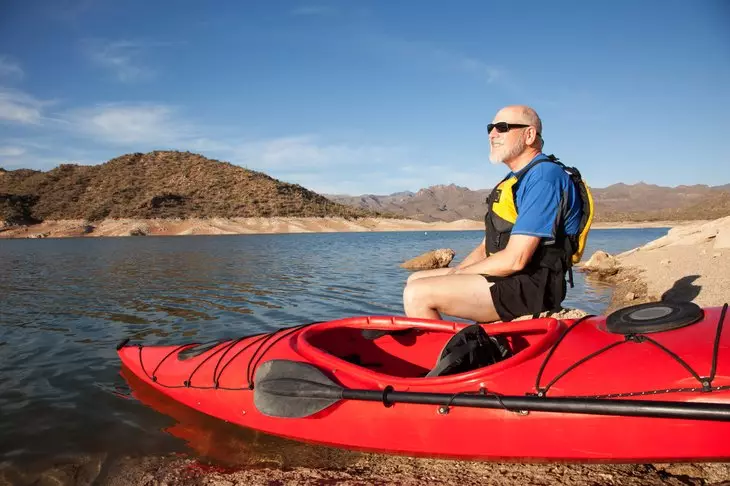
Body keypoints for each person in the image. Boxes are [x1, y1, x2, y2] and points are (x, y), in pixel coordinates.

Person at [402, 105, 592, 323]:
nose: (492, 134)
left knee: (417, 294)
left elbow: (516, 259)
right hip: (514, 278)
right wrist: (458, 271)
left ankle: (447, 354)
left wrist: (458, 275)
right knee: (414, 279)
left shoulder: (544, 177)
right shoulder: (513, 181)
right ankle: (454, 345)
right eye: (490, 128)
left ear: (529, 134)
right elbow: (486, 247)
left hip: (534, 286)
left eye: (502, 128)